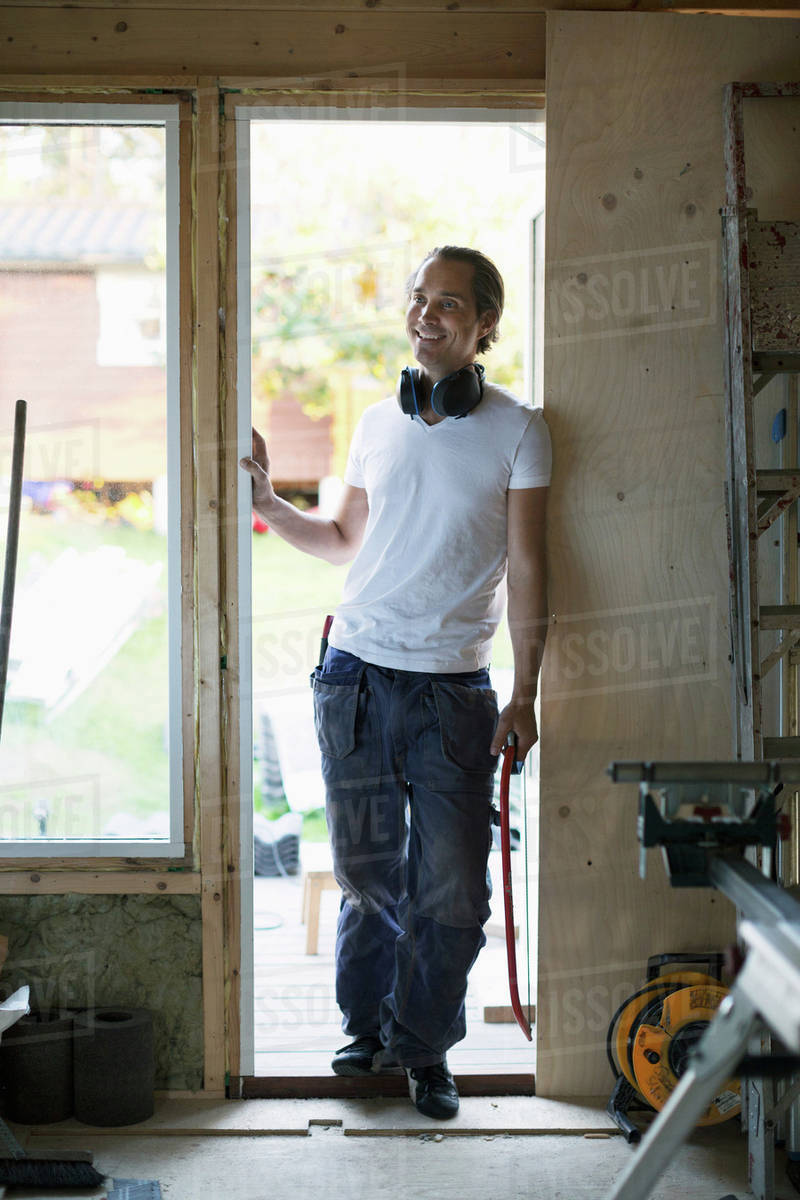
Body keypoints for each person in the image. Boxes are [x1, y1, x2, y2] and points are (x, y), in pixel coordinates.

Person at [240, 246, 551, 1120]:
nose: (426, 315)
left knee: (452, 888)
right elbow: (344, 540)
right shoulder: (378, 422)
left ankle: (424, 1049)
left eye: (448, 303)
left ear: (485, 323)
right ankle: (365, 1026)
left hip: (454, 693)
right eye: (419, 299)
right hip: (358, 678)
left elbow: (528, 567)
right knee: (369, 873)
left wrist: (525, 693)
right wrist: (266, 498)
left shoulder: (521, 429)